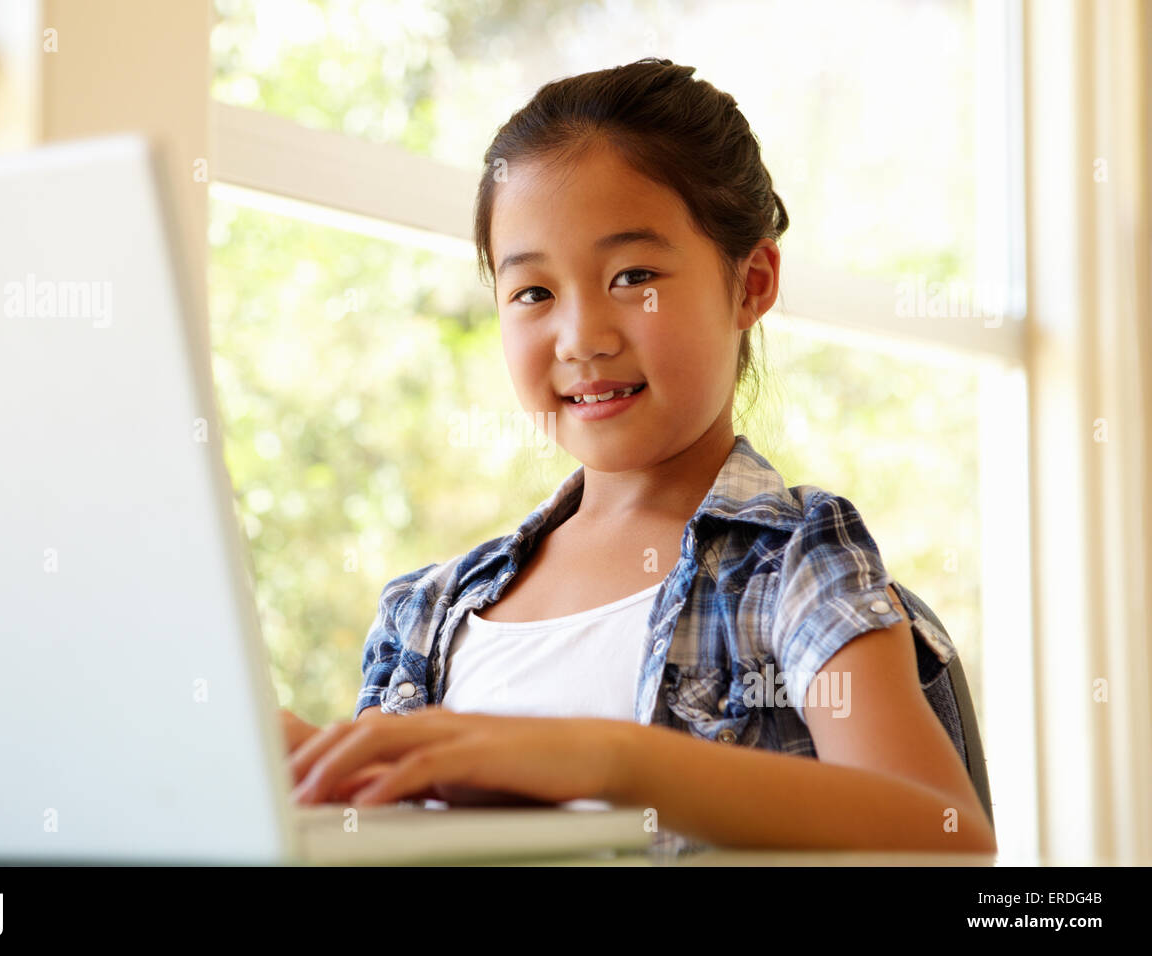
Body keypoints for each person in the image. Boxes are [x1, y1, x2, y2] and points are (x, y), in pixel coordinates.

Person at [280, 58, 996, 854]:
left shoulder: (792, 566)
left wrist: (612, 760)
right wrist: (301, 784)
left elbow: (944, 837)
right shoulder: (422, 615)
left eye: (633, 276)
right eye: (533, 293)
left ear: (751, 284)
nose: (582, 337)